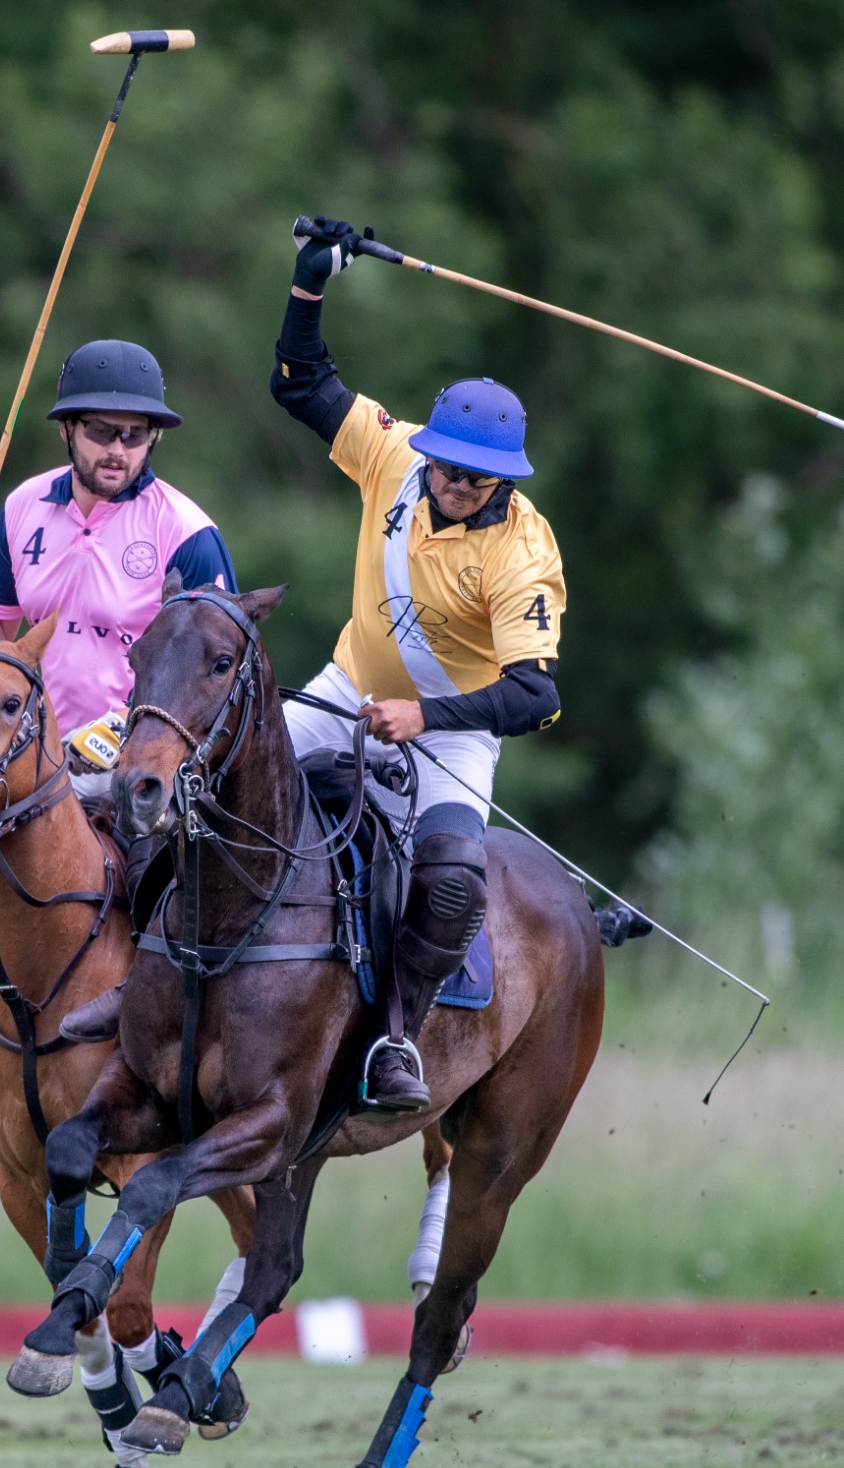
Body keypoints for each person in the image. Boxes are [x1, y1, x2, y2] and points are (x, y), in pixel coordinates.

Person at [0, 339, 237, 1203]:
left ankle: (206, 1096)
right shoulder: (22, 510)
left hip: (141, 771)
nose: (118, 450)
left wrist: (141, 747)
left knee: (178, 916)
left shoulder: (186, 532)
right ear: (68, 432)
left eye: (135, 435)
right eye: (102, 432)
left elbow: (218, 661)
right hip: (31, 774)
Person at [270, 217, 566, 1115]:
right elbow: (299, 383)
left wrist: (424, 719)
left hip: (456, 729)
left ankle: (396, 1037)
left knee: (446, 883)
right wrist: (308, 285)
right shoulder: (395, 453)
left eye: (474, 480)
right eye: (446, 470)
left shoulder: (524, 551)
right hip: (342, 690)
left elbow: (534, 696)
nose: (452, 485)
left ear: (503, 481)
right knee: (204, 789)